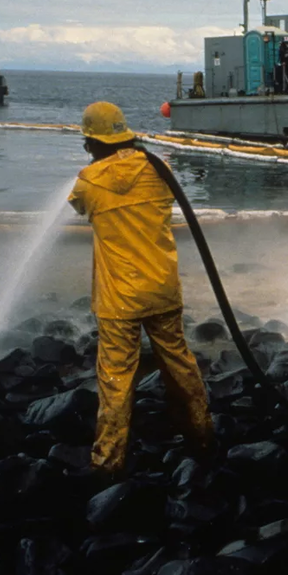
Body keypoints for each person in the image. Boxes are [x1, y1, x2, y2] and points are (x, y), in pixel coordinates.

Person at [68, 101, 212, 477]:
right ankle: (202, 435)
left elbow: (79, 206)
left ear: (93, 142)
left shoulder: (89, 179)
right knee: (180, 362)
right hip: (161, 287)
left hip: (119, 299)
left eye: (87, 142)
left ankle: (108, 461)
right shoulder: (158, 169)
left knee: (116, 376)